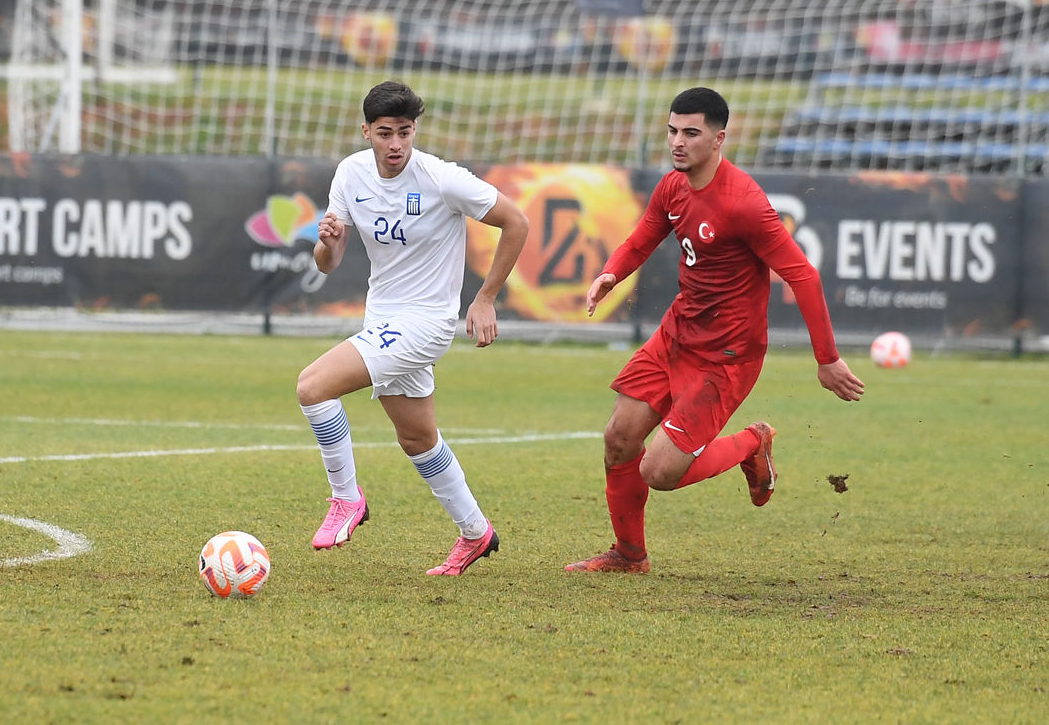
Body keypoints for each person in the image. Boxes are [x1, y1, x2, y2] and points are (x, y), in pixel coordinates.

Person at [566, 87, 865, 574]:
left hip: (725, 357)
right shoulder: (672, 186)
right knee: (619, 438)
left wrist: (827, 358)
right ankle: (629, 555)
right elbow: (644, 236)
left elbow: (803, 275)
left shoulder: (744, 203)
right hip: (676, 335)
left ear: (719, 138)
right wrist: (611, 272)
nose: (677, 142)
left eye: (690, 133)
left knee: (658, 472)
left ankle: (753, 441)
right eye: (671, 131)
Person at [296, 81, 529, 576]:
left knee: (313, 386)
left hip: (426, 323)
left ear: (415, 131)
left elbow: (517, 222)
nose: (396, 144)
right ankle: (475, 533)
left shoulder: (442, 178)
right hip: (381, 317)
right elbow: (327, 264)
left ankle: (346, 500)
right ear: (367, 132)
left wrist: (485, 298)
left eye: (405, 132)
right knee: (418, 438)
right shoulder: (350, 174)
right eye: (385, 133)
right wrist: (328, 242)